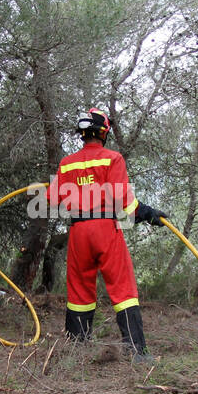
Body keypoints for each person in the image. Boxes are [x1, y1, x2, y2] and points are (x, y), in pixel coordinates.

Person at [45, 108, 167, 361]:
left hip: (78, 232)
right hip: (105, 228)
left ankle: (77, 351)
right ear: (104, 132)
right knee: (123, 289)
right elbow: (123, 199)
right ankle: (137, 353)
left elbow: (52, 199)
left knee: (79, 291)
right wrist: (146, 212)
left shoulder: (67, 163)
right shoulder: (113, 158)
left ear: (82, 134)